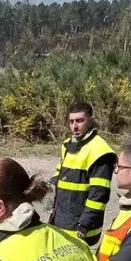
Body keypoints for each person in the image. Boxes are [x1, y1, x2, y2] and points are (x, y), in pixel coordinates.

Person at [49, 102, 117, 247]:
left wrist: (84, 224)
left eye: (80, 121)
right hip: (62, 222)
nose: (75, 126)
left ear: (91, 121)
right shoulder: (67, 145)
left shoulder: (100, 151)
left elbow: (99, 195)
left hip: (81, 229)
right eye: (71, 121)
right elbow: (60, 173)